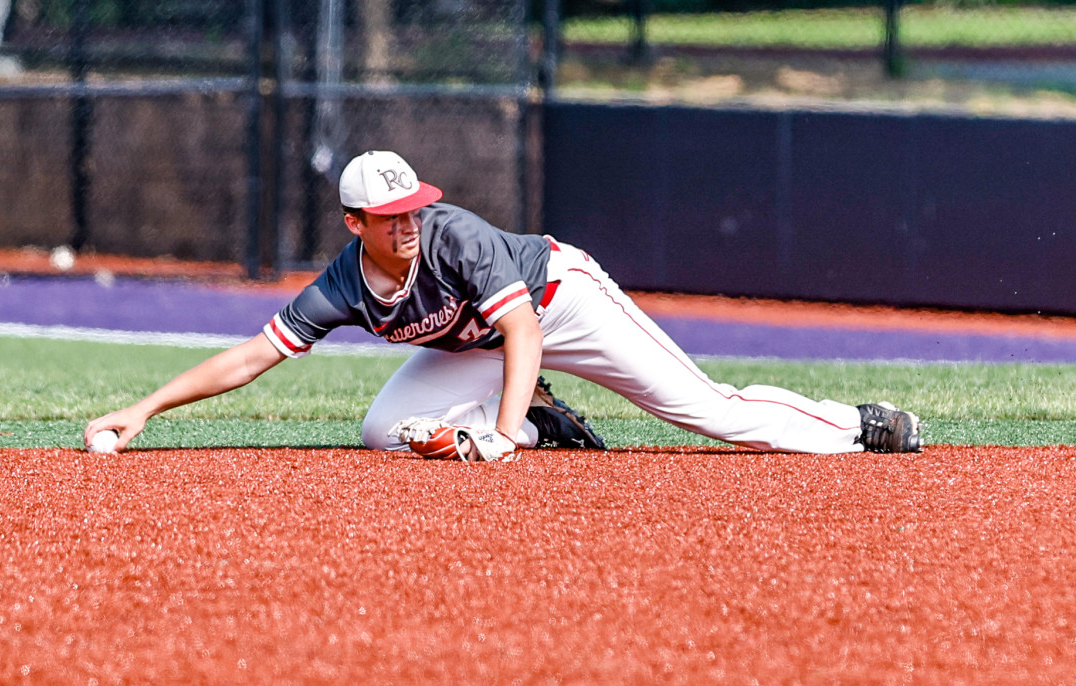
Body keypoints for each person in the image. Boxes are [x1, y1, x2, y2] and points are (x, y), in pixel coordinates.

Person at [85, 149, 921, 460]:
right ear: (355, 225)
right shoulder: (341, 283)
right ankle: (537, 419)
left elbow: (521, 325)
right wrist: (144, 408)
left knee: (706, 412)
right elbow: (251, 356)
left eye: (413, 207)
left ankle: (857, 424)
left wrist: (493, 432)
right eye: (390, 217)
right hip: (476, 343)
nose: (408, 223)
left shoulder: (456, 236)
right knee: (383, 432)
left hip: (559, 301)